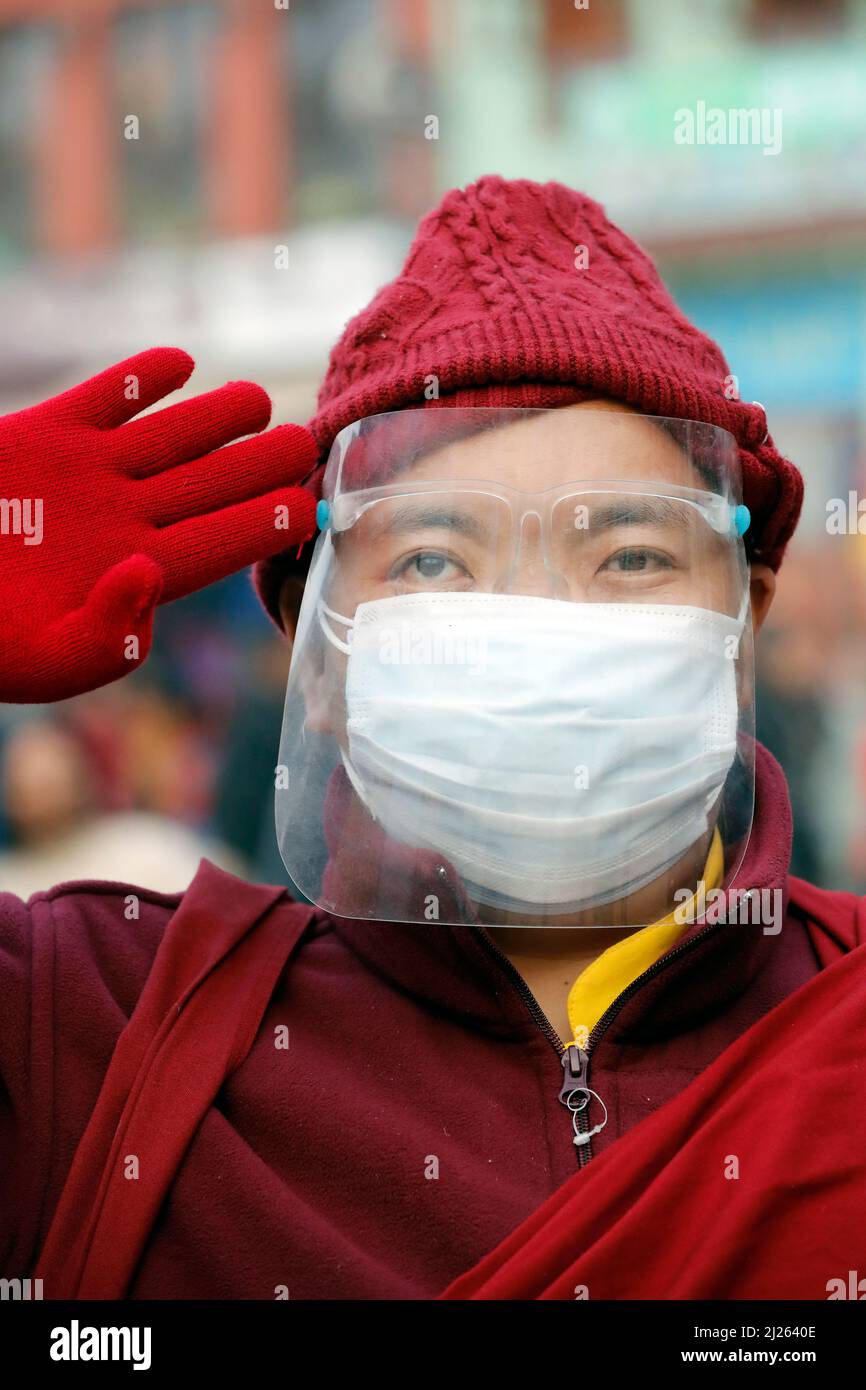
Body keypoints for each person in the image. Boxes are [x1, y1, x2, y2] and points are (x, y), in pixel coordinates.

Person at [1, 176, 863, 1301]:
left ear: (741, 623)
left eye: (632, 556)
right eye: (430, 561)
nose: (539, 626)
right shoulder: (93, 1023)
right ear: (320, 657)